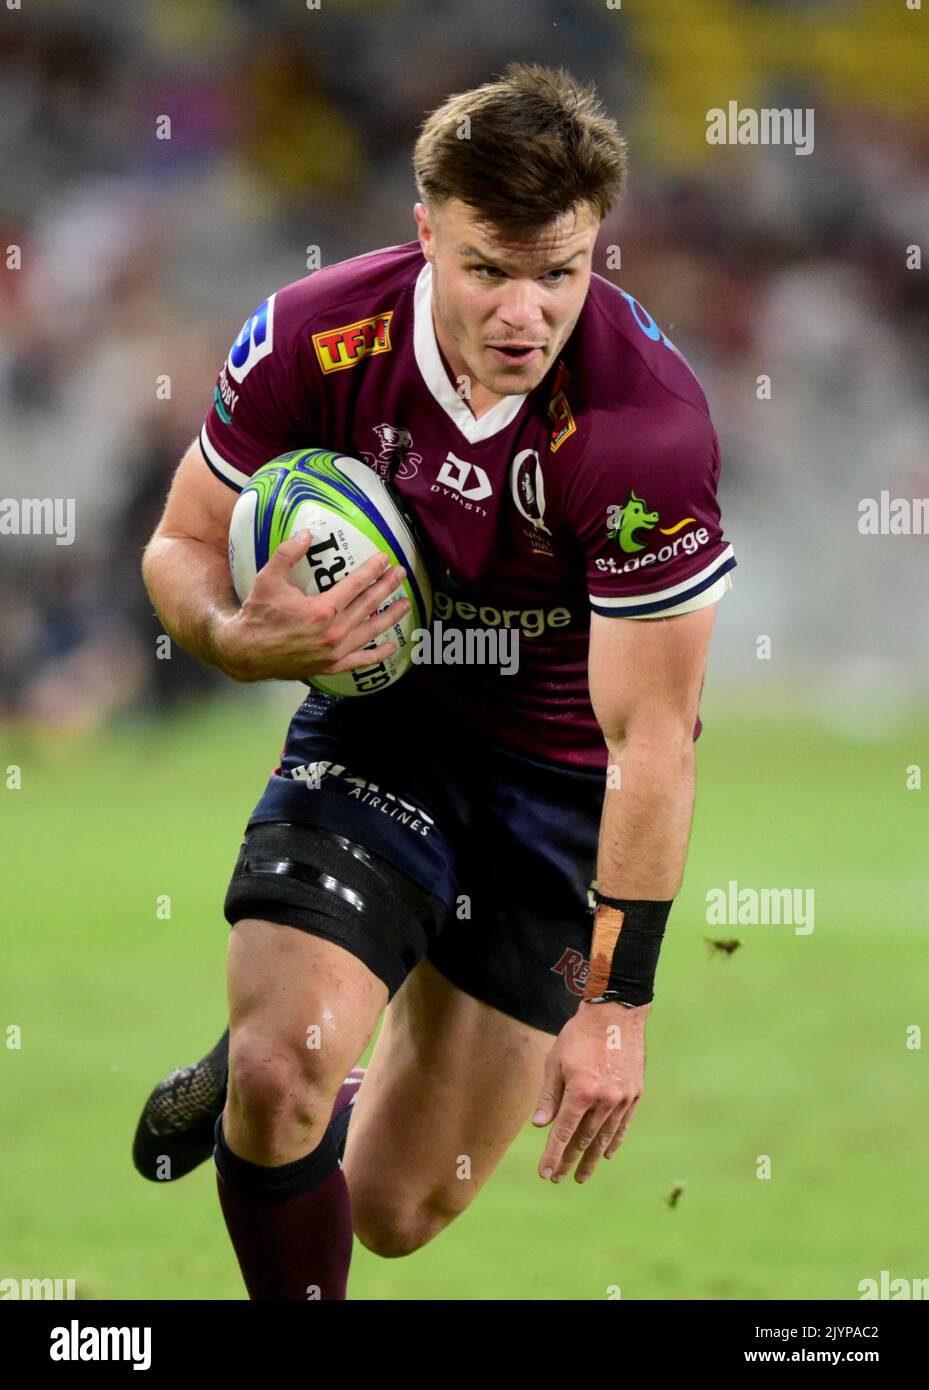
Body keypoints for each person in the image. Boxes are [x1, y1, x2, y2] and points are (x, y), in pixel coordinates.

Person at [135, 61, 736, 1301]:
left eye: (558, 274)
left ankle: (335, 1076)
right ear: (423, 234)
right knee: (280, 1072)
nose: (525, 312)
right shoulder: (315, 331)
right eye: (487, 269)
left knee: (400, 1207)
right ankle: (282, 1069)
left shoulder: (640, 431)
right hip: (381, 725)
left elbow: (653, 741)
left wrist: (615, 1006)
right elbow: (181, 545)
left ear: (594, 253)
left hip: (557, 785)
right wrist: (239, 642)